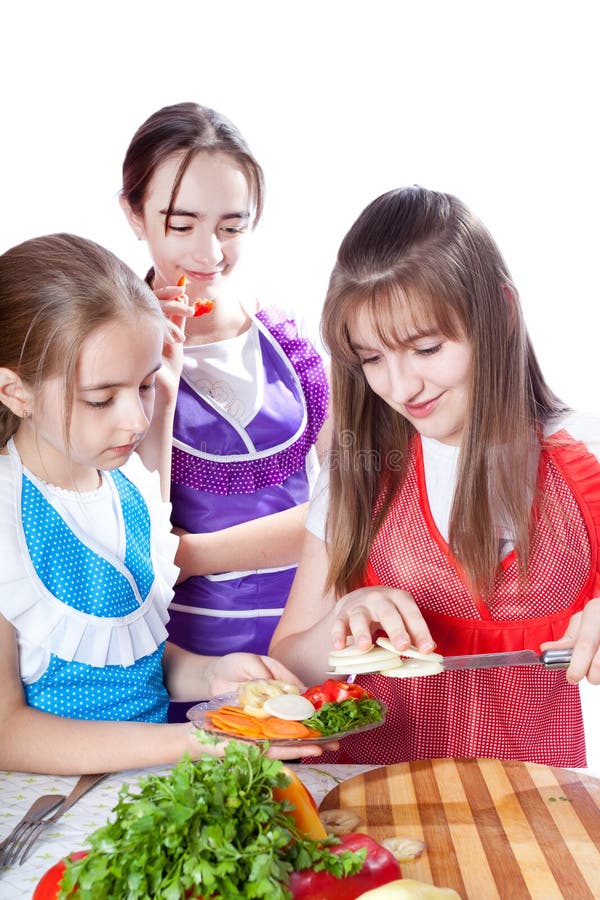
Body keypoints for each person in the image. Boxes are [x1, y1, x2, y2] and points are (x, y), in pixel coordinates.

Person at [269, 185, 600, 768]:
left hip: (533, 811)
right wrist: (344, 622)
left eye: (425, 348)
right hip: (371, 797)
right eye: (371, 358)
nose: (400, 388)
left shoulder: (585, 458)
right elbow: (289, 662)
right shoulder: (362, 466)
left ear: (499, 310)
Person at [0, 233, 332, 775]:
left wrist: (212, 675)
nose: (135, 420)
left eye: (147, 387)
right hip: (46, 810)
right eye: (101, 399)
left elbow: (138, 663)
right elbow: (7, 733)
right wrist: (199, 741)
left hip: (150, 789)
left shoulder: (128, 488)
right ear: (15, 392)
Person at [119, 103, 330, 721]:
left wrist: (190, 553)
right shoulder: (107, 360)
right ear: (134, 215)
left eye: (232, 227)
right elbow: (132, 545)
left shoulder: (292, 345)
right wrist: (160, 384)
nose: (209, 253)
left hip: (313, 646)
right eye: (182, 225)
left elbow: (361, 501)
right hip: (191, 667)